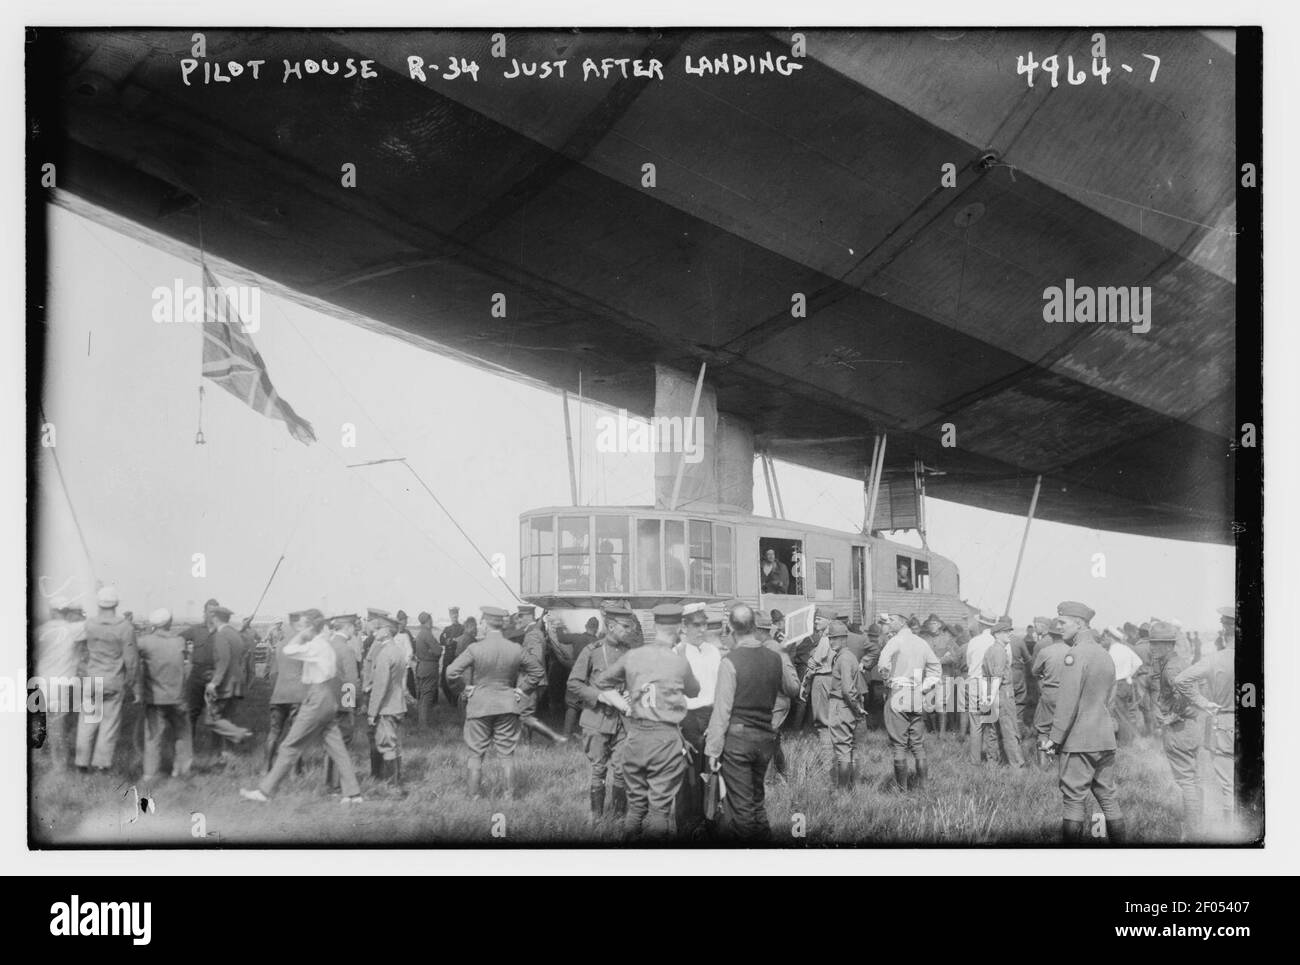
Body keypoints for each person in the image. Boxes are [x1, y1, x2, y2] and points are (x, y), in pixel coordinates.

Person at [594, 603, 700, 841]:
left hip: (636, 737)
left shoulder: (634, 655)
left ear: (654, 625)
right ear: (678, 628)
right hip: (665, 740)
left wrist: (624, 706)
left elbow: (602, 682)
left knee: (636, 807)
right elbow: (694, 691)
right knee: (659, 810)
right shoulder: (679, 661)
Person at [241, 609, 363, 804]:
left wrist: (302, 634)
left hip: (316, 698)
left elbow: (288, 650)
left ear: (311, 627)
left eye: (304, 625)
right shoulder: (326, 645)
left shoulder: (315, 645)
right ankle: (353, 793)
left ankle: (265, 791)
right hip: (328, 699)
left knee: (289, 746)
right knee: (338, 749)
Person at [704, 604, 798, 841]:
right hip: (765, 738)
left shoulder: (730, 661)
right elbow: (791, 688)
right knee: (757, 803)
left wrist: (713, 751)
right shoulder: (775, 657)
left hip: (738, 742)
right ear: (755, 627)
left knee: (741, 809)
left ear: (731, 628)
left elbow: (722, 711)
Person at [1041, 601, 1125, 844]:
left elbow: (1067, 704)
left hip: (1079, 742)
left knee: (1073, 801)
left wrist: (1053, 740)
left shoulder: (1075, 655)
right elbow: (1110, 699)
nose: (1058, 627)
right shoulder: (1105, 654)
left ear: (1079, 624)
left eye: (1063, 622)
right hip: (1105, 739)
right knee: (1107, 797)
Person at [446, 606, 545, 800]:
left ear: (484, 623)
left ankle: (473, 797)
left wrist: (463, 689)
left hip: (479, 705)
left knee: (475, 754)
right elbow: (537, 671)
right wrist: (522, 690)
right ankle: (509, 797)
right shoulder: (515, 648)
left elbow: (451, 672)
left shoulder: (475, 648)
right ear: (501, 624)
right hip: (508, 705)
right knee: (507, 754)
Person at [568, 605, 636, 819]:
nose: (629, 630)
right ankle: (596, 817)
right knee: (598, 769)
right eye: (625, 626)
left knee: (621, 769)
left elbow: (638, 681)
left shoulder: (631, 653)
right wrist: (599, 696)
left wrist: (631, 694)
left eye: (631, 626)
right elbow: (574, 683)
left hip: (622, 722)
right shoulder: (592, 651)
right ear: (610, 626)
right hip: (597, 718)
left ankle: (617, 818)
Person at [1176, 606, 1237, 829]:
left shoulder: (1215, 659)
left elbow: (1181, 680)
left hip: (1224, 724)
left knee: (1229, 785)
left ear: (1225, 633)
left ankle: (1235, 832)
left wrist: (1202, 702)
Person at [1147, 619, 1204, 839]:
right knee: (1193, 778)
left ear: (1170, 645)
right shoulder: (1179, 662)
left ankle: (1192, 831)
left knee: (1186, 781)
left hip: (1179, 729)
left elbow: (1184, 695)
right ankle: (1196, 824)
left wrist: (1171, 717)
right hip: (1190, 727)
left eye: (1159, 644)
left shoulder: (1170, 668)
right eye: (1153, 643)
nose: (1153, 648)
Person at [75, 586, 138, 772]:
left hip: (92, 678)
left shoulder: (89, 624)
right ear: (116, 604)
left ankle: (81, 765)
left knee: (87, 723)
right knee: (109, 725)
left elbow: (80, 650)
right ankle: (102, 766)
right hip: (114, 679)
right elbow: (131, 660)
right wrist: (132, 682)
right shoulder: (125, 627)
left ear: (99, 603)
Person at [876, 613, 941, 791]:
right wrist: (924, 687)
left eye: (891, 621)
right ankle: (924, 787)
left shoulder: (895, 641)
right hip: (916, 694)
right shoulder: (921, 642)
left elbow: (882, 663)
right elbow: (936, 668)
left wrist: (887, 679)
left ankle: (902, 790)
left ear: (901, 622)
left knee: (899, 746)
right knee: (918, 745)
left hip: (898, 692)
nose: (888, 624)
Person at [675, 602, 722, 837]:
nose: (702, 629)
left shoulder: (713, 651)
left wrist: (716, 721)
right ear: (684, 626)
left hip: (710, 716)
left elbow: (719, 688)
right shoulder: (678, 653)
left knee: (711, 770)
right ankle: (687, 824)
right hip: (688, 718)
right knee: (689, 774)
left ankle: (709, 818)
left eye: (704, 624)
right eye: (696, 625)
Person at [135, 608, 193, 782]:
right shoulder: (179, 641)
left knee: (153, 736)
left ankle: (150, 773)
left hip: (155, 696)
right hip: (177, 696)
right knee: (182, 733)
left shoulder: (144, 642)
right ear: (170, 622)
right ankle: (181, 770)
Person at [32, 596, 87, 771]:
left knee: (38, 725)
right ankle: (59, 766)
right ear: (66, 612)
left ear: (52, 611)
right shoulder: (72, 630)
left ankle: (37, 760)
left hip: (39, 683)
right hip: (61, 684)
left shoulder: (39, 631)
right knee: (59, 727)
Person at [206, 605, 253, 764]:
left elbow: (224, 660)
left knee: (214, 718)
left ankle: (217, 753)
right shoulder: (235, 634)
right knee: (228, 718)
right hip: (237, 681)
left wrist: (214, 683)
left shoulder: (221, 635)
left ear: (215, 618)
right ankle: (227, 753)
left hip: (224, 683)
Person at [979, 617, 1026, 767]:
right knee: (1010, 730)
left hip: (990, 692)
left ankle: (993, 764)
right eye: (1005, 632)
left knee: (992, 731)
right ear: (997, 634)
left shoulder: (991, 650)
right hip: (1001, 693)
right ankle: (1017, 766)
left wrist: (988, 699)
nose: (1009, 635)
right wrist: (992, 698)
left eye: (1009, 632)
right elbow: (997, 677)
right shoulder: (999, 651)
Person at [367, 614, 408, 784]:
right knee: (395, 744)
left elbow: (380, 686)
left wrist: (371, 712)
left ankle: (394, 787)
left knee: (387, 745)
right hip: (398, 704)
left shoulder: (384, 654)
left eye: (378, 628)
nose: (375, 631)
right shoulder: (398, 651)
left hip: (387, 707)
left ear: (386, 632)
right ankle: (396, 781)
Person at [756, 609, 796, 781]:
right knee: (774, 739)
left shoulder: (775, 650)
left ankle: (768, 781)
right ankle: (783, 774)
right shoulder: (762, 648)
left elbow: (792, 685)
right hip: (768, 702)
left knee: (766, 739)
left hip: (776, 702)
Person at [325, 614, 361, 792]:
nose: (355, 629)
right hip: (341, 703)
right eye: (353, 626)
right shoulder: (346, 649)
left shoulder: (328, 646)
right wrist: (351, 705)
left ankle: (328, 781)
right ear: (346, 628)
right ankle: (336, 783)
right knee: (343, 741)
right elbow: (351, 681)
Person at [265, 610, 305, 772]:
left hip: (279, 694)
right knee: (297, 733)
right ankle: (296, 770)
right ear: (298, 624)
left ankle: (266, 767)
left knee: (274, 731)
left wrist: (276, 690)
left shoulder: (280, 645)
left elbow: (273, 673)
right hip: (298, 695)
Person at [825, 621, 863, 790]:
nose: (830, 642)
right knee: (850, 749)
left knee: (843, 750)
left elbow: (847, 690)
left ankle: (842, 792)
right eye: (830, 638)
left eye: (833, 638)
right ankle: (851, 788)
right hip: (847, 706)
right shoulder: (847, 656)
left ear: (842, 639)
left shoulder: (844, 659)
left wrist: (856, 708)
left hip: (842, 706)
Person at [180, 598, 220, 756]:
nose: (213, 615)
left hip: (215, 676)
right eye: (211, 612)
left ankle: (216, 752)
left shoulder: (222, 631)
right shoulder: (195, 630)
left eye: (216, 612)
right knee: (191, 713)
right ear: (204, 613)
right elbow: (178, 639)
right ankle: (188, 751)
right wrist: (183, 654)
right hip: (196, 675)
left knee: (215, 714)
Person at [519, 614, 566, 743]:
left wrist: (519, 664)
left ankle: (527, 745)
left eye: (520, 617)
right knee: (526, 712)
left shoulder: (532, 635)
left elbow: (536, 657)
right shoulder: (536, 634)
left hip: (531, 679)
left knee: (525, 713)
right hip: (537, 680)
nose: (518, 620)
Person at [1030, 619, 1070, 768]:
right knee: (1063, 727)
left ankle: (1043, 763)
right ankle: (1059, 761)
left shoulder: (1045, 652)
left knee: (1043, 729)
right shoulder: (1072, 651)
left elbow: (1035, 671)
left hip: (1049, 692)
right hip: (1068, 695)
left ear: (1051, 635)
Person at [961, 612, 999, 764]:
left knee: (975, 723)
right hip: (991, 683)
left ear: (981, 624)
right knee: (992, 722)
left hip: (975, 682)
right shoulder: (998, 642)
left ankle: (975, 760)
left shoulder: (974, 641)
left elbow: (969, 662)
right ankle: (992, 760)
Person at [554, 616, 599, 738]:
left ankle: (566, 734)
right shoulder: (599, 642)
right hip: (591, 676)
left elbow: (561, 638)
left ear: (586, 626)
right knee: (590, 704)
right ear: (597, 629)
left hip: (576, 674)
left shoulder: (577, 637)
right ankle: (587, 734)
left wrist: (558, 626)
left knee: (572, 704)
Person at [1100, 625, 1145, 745]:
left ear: (1111, 637)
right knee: (1125, 711)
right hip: (1126, 683)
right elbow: (1138, 663)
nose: (1106, 638)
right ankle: (1128, 738)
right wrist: (1129, 674)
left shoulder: (1112, 651)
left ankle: (1126, 740)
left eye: (1107, 636)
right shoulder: (1125, 648)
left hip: (1117, 684)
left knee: (1119, 713)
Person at [412, 611, 442, 729]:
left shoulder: (420, 634)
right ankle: (423, 726)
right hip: (429, 668)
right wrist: (434, 652)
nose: (432, 621)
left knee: (422, 697)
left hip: (421, 667)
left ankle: (421, 723)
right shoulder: (427, 634)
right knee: (427, 697)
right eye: (431, 619)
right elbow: (438, 650)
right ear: (428, 621)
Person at [439, 607, 464, 703]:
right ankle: (451, 700)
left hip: (458, 656)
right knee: (444, 681)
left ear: (458, 615)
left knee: (457, 680)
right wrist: (446, 641)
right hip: (448, 657)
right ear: (450, 616)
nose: (454, 616)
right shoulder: (447, 629)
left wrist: (455, 641)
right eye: (452, 615)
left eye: (456, 614)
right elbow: (441, 640)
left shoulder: (462, 628)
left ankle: (457, 700)